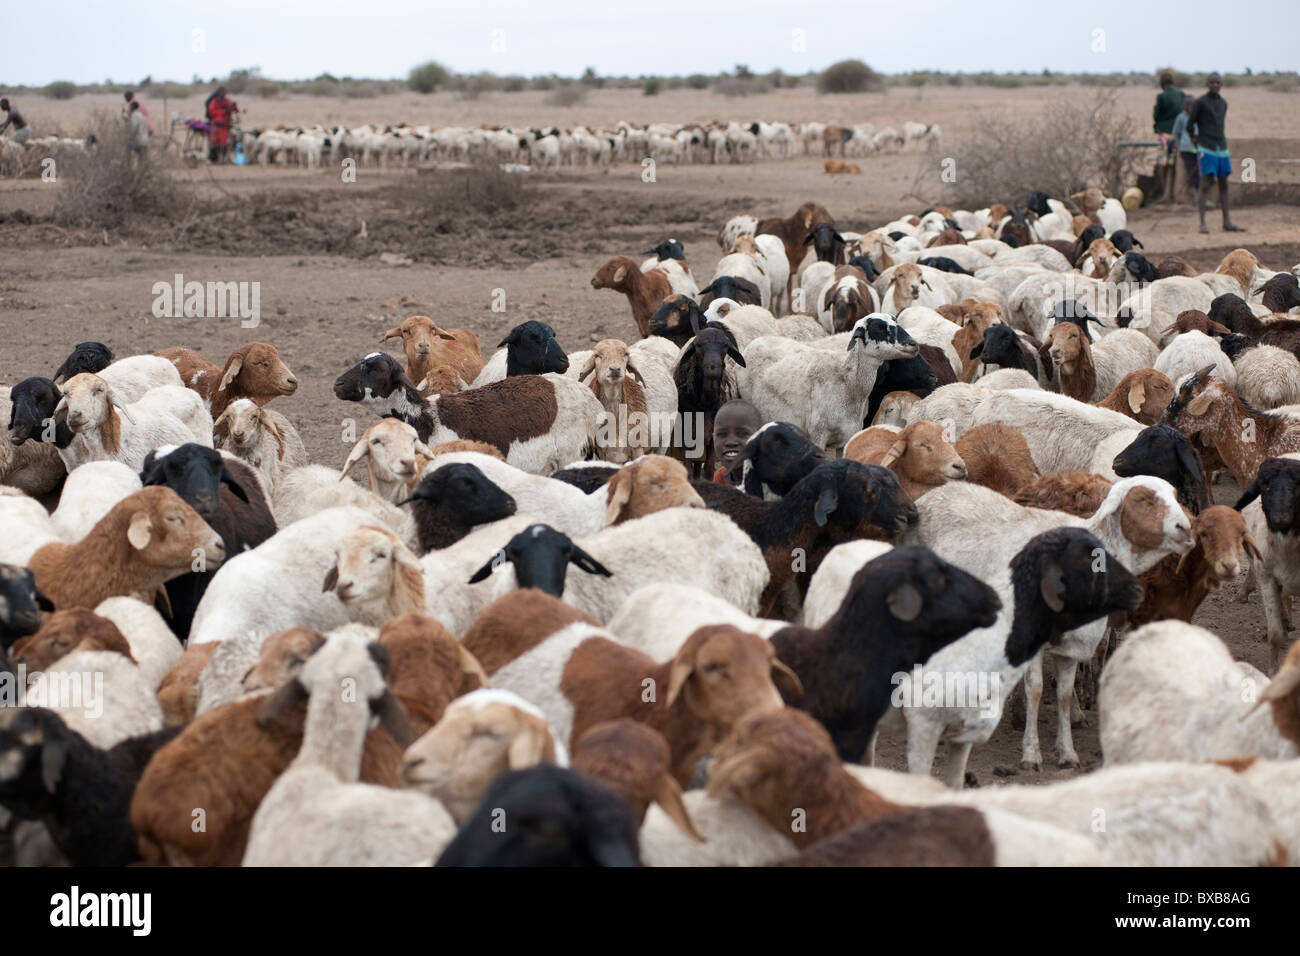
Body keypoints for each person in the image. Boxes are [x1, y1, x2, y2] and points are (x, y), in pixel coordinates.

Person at [1189, 73, 1243, 234]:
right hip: (1206, 148)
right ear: (1207, 84)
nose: (1215, 85)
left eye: (1218, 82)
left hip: (1222, 148)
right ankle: (1202, 224)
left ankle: (1227, 222)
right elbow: (1189, 125)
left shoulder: (1224, 103)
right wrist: (1195, 140)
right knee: (1205, 185)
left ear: (1221, 85)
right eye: (1212, 82)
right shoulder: (1200, 102)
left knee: (1224, 184)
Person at [710, 400, 763, 485]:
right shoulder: (720, 478)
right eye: (722, 434)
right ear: (713, 438)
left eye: (742, 434)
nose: (731, 442)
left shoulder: (772, 480)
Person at [1151, 71, 1185, 202]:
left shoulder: (1162, 96)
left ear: (1161, 84)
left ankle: (1164, 193)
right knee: (1172, 165)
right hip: (1177, 136)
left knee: (1162, 164)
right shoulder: (1181, 94)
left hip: (1164, 135)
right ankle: (1171, 192)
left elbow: (1156, 115)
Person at [1169, 96, 1200, 203]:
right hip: (1186, 148)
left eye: (1192, 104)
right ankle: (1196, 197)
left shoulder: (1199, 117)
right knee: (1191, 172)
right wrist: (1179, 146)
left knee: (1200, 171)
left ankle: (1199, 196)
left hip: (1199, 148)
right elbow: (1176, 133)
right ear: (1183, 105)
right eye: (1187, 104)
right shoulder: (1181, 118)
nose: (1189, 107)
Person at [204, 85, 238, 163]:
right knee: (215, 142)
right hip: (217, 125)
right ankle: (214, 159)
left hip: (225, 125)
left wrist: (234, 107)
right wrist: (223, 112)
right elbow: (212, 112)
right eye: (221, 93)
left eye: (224, 93)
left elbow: (233, 109)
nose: (223, 95)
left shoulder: (227, 100)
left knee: (224, 143)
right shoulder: (215, 101)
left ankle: (223, 159)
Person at [126, 99, 150, 165]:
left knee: (128, 152)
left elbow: (134, 128)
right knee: (143, 158)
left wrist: (130, 138)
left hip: (138, 140)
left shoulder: (134, 115)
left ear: (132, 107)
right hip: (145, 140)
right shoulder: (141, 115)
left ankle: (128, 168)